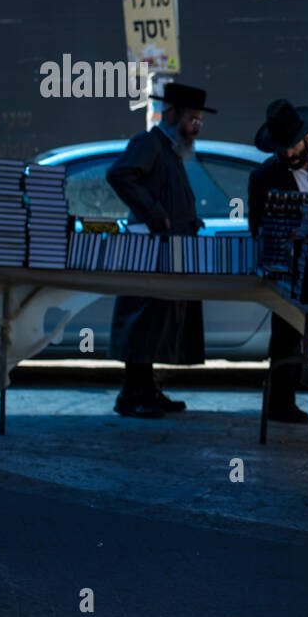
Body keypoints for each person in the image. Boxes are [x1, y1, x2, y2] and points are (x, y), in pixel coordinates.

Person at [106, 83, 215, 419]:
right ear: (172, 115)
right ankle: (131, 394)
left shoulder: (170, 149)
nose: (196, 126)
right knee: (142, 321)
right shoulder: (149, 143)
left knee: (155, 323)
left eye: (199, 120)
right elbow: (120, 175)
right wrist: (156, 216)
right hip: (149, 249)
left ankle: (147, 390)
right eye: (192, 119)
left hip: (168, 249)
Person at [248, 99, 308, 423]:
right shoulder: (264, 176)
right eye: (281, 148)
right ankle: (280, 404)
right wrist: (288, 234)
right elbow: (257, 227)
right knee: (286, 333)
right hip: (294, 265)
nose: (287, 154)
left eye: (292, 146)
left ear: (307, 138)